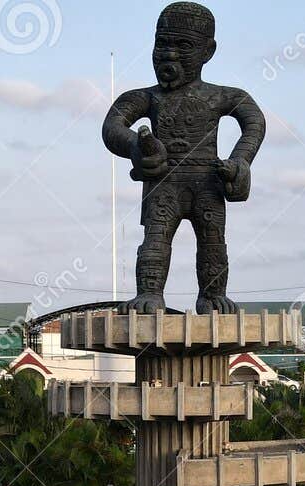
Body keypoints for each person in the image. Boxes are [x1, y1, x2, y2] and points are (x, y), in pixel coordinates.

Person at [102, 2, 265, 316]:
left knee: (213, 242)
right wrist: (138, 146)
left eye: (183, 46)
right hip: (163, 181)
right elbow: (112, 126)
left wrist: (239, 162)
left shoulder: (223, 95)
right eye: (162, 44)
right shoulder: (146, 97)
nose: (170, 55)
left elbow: (254, 121)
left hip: (209, 181)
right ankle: (149, 293)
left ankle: (213, 295)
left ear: (208, 51)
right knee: (155, 239)